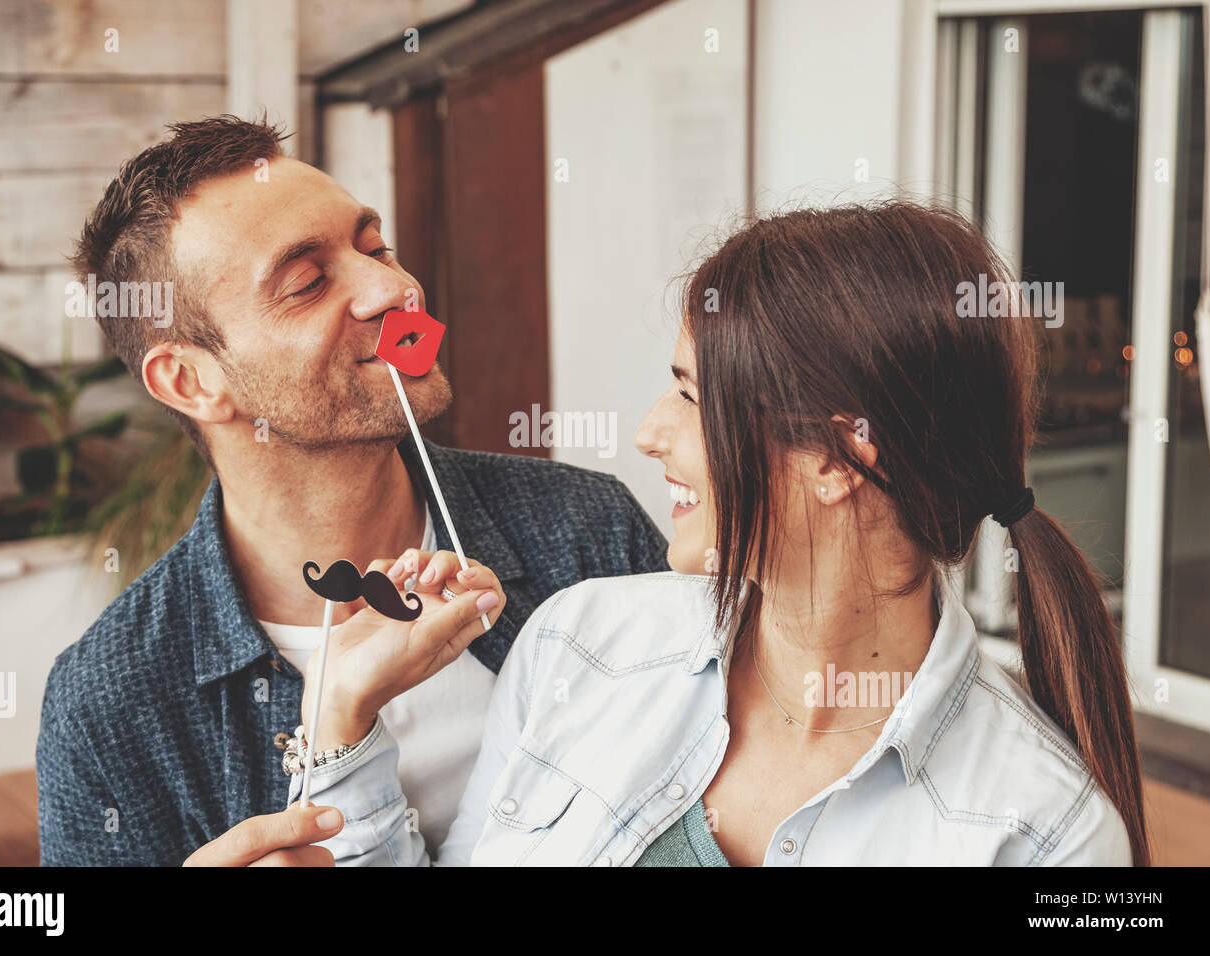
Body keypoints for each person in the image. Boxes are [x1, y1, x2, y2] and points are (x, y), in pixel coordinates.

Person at [298, 201, 1146, 866]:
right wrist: (344, 717)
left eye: (692, 398)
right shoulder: (578, 644)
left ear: (841, 457)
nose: (649, 434)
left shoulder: (1047, 837)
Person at [36, 116, 667, 867]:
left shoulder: (588, 530)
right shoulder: (110, 703)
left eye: (375, 248)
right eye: (307, 282)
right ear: (190, 380)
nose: (395, 290)